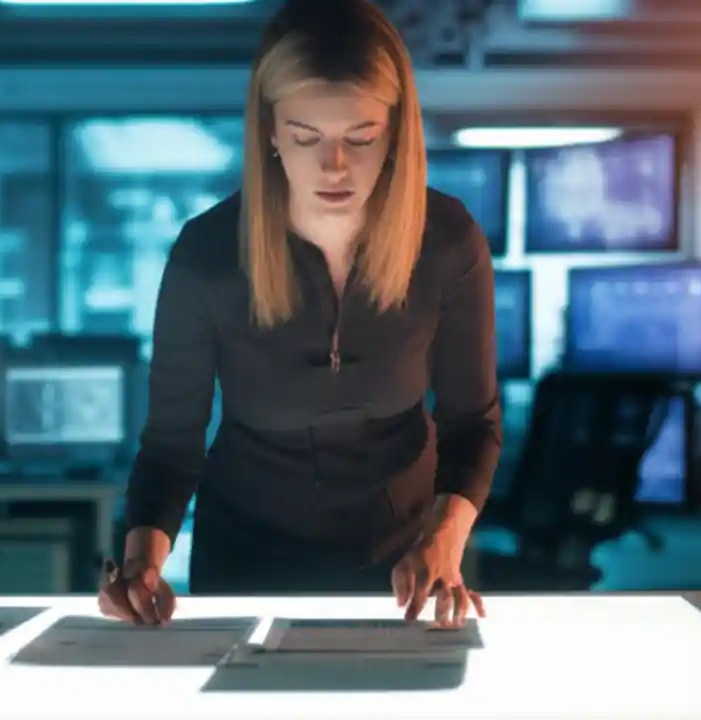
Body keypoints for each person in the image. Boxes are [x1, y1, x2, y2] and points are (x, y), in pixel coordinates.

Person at [98, 0, 500, 628]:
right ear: (270, 133)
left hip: (406, 565)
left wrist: (446, 539)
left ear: (395, 132)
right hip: (245, 563)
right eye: (306, 136)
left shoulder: (447, 241)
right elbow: (172, 445)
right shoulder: (207, 255)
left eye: (360, 138)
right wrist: (141, 563)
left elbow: (472, 423)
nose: (333, 166)